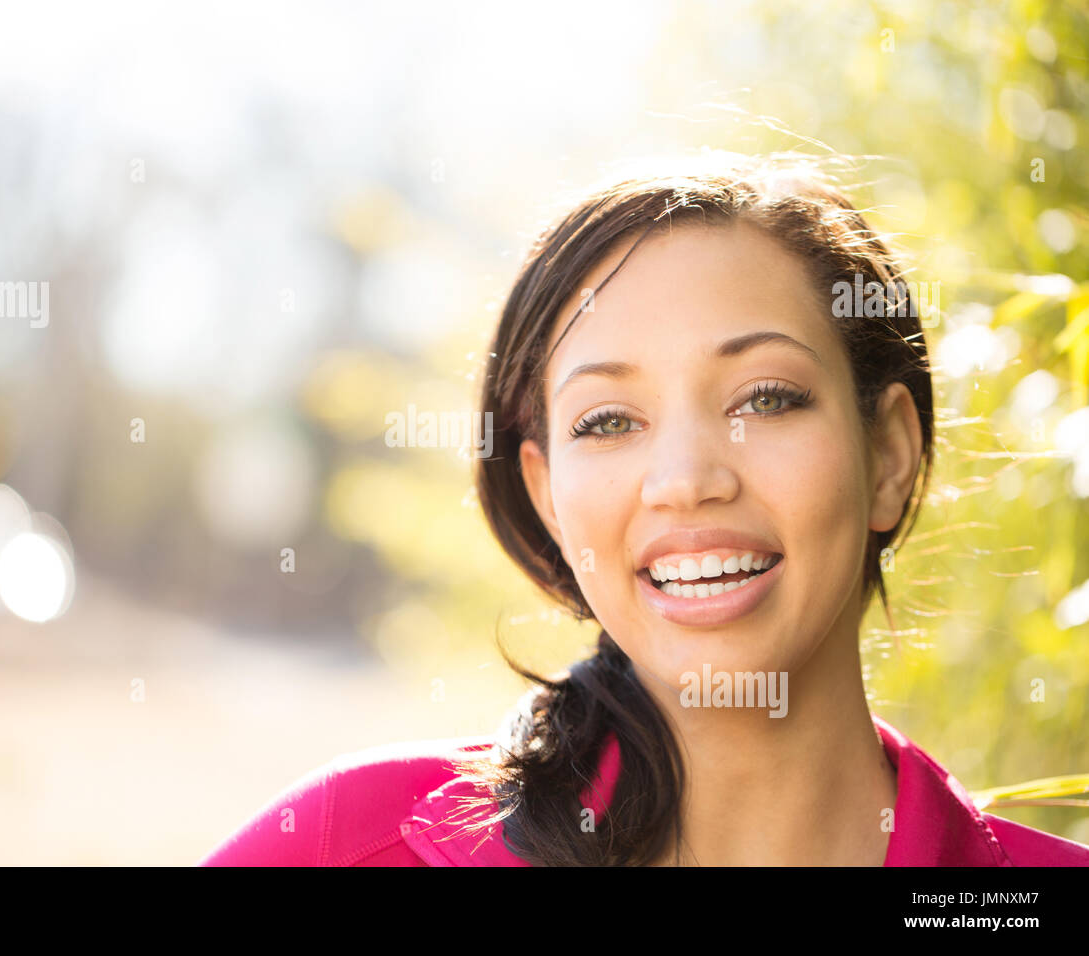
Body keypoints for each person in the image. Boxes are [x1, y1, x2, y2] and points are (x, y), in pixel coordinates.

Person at [200, 153, 1089, 866]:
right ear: (548, 496)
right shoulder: (347, 844)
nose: (686, 479)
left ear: (889, 455)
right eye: (609, 421)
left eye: (765, 398)